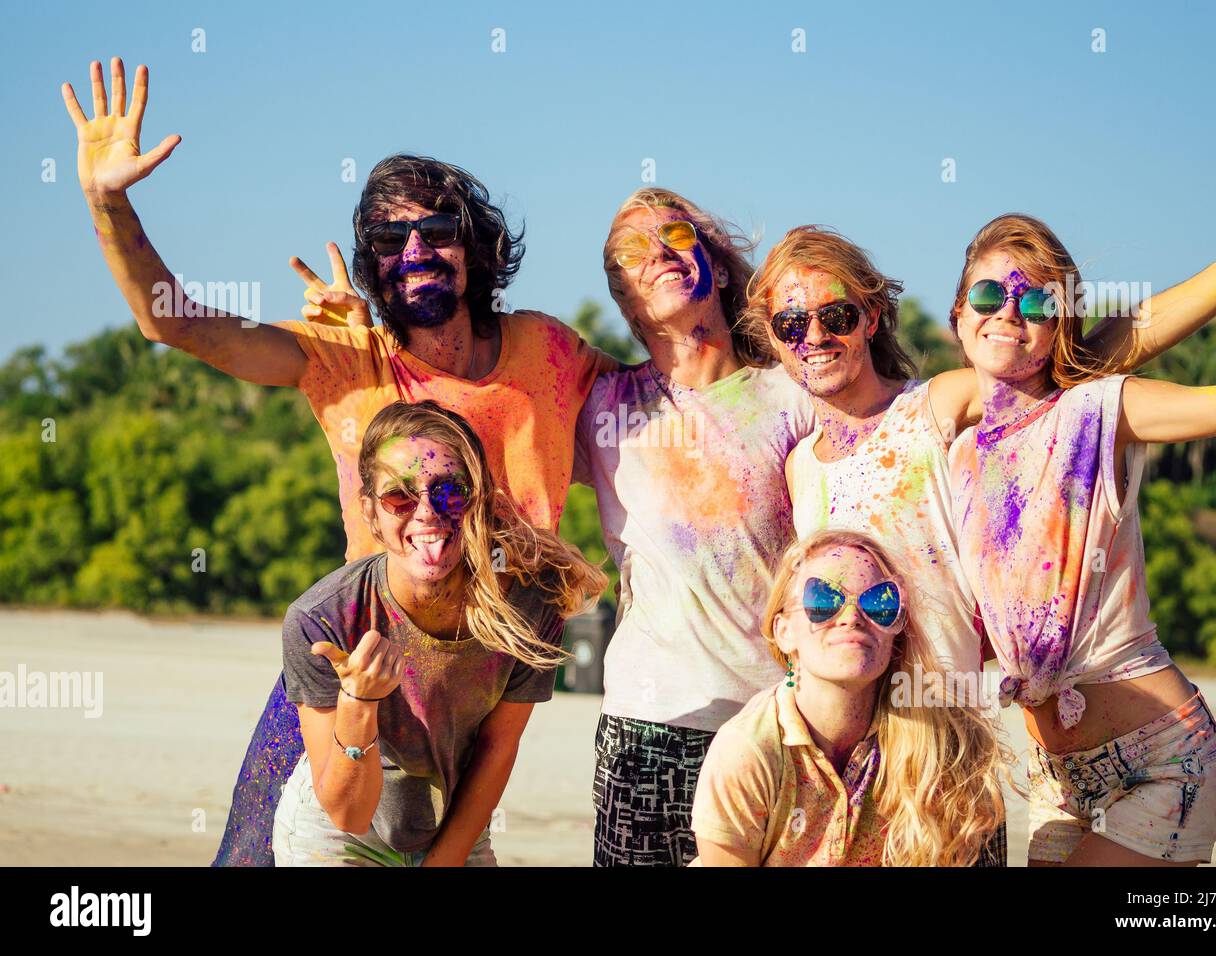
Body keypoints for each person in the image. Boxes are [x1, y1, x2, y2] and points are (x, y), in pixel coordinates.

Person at [61, 57, 614, 864]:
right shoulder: (343, 359)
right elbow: (175, 324)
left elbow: (668, 391)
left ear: (478, 246)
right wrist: (108, 203)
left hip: (481, 685)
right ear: (373, 262)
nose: (416, 249)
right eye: (391, 239)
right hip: (351, 667)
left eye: (438, 230)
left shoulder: (549, 352)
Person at [742, 178, 1216, 863]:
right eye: (792, 324)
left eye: (837, 315)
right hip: (921, 769)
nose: (816, 336)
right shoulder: (801, 468)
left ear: (873, 318)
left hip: (969, 758)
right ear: (770, 336)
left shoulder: (936, 412)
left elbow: (1089, 355)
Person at [946, 210, 1216, 865]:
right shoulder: (956, 455)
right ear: (959, 317)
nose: (1009, 312)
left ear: (1060, 326)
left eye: (1037, 302)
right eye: (990, 295)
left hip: (1164, 762)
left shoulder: (1095, 414)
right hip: (1057, 778)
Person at [575, 189, 815, 866]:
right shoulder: (602, 406)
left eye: (676, 235)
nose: (657, 253)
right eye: (632, 251)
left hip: (778, 722)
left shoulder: (792, 395)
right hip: (648, 727)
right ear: (624, 302)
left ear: (711, 257)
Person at [273, 399, 606, 865]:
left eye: (449, 491)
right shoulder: (324, 619)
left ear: (479, 499)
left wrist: (444, 860)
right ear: (369, 512)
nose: (426, 512)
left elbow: (497, 745)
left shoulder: (530, 603)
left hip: (455, 822)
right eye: (399, 496)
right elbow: (348, 813)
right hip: (338, 834)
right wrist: (358, 704)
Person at [691, 530, 1010, 866]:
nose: (851, 617)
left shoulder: (947, 744)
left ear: (896, 632)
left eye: (879, 603)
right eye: (823, 601)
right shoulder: (748, 750)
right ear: (784, 632)